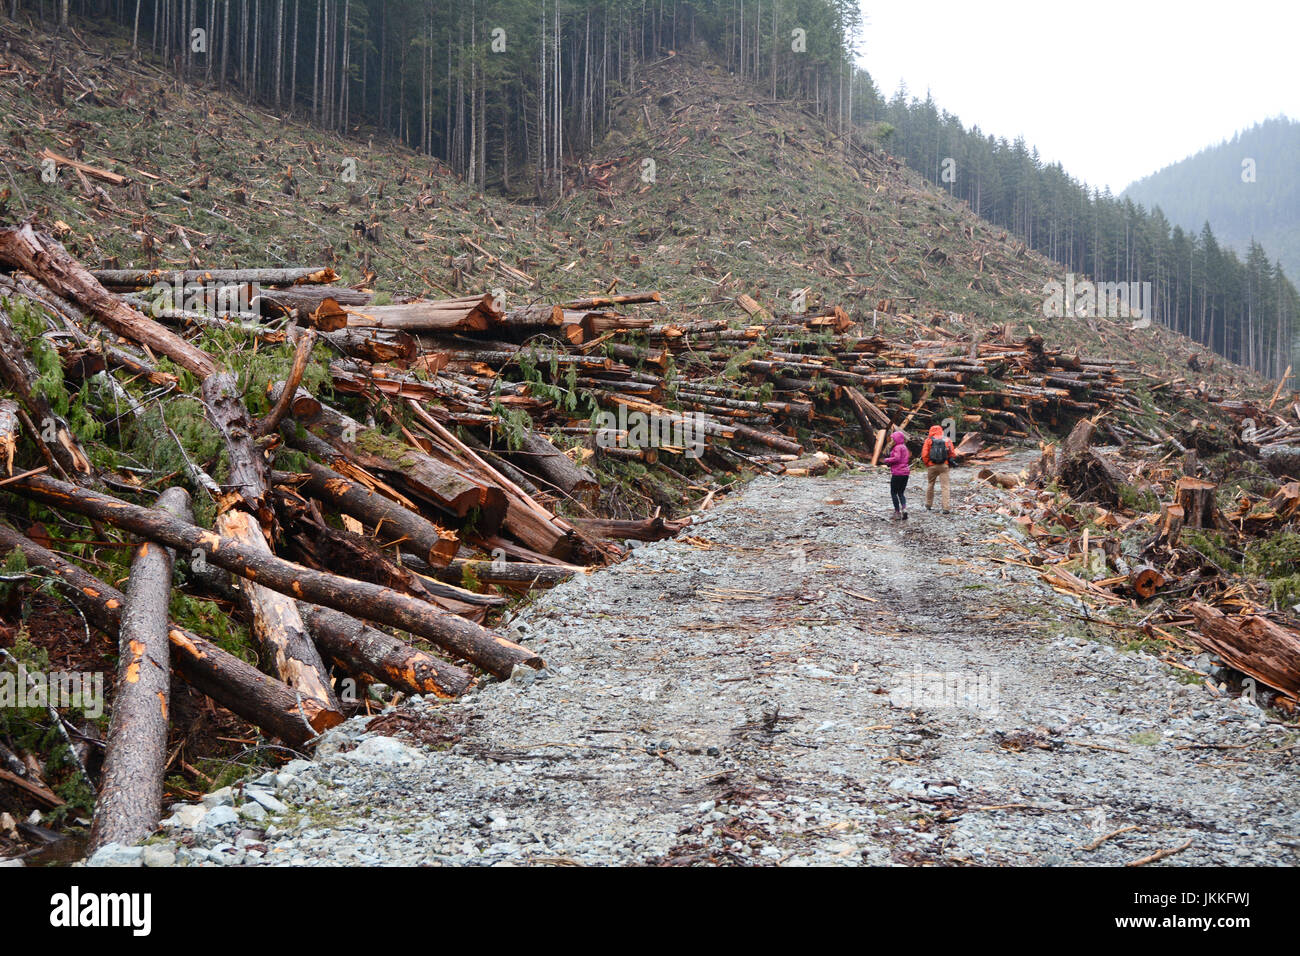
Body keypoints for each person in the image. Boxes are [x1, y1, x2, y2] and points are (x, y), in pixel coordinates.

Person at [921, 424, 953, 513]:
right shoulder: (947, 440)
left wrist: (928, 464)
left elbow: (924, 455)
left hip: (932, 465)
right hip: (944, 465)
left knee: (930, 484)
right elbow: (952, 453)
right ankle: (946, 507)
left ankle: (928, 504)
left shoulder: (928, 440)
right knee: (945, 486)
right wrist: (948, 462)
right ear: (941, 430)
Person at [884, 430, 910, 520]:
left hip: (897, 473)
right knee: (901, 493)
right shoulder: (904, 447)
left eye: (892, 438)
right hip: (905, 473)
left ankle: (897, 512)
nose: (891, 440)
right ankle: (904, 508)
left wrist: (887, 460)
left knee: (893, 492)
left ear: (896, 439)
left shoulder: (897, 448)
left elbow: (897, 458)